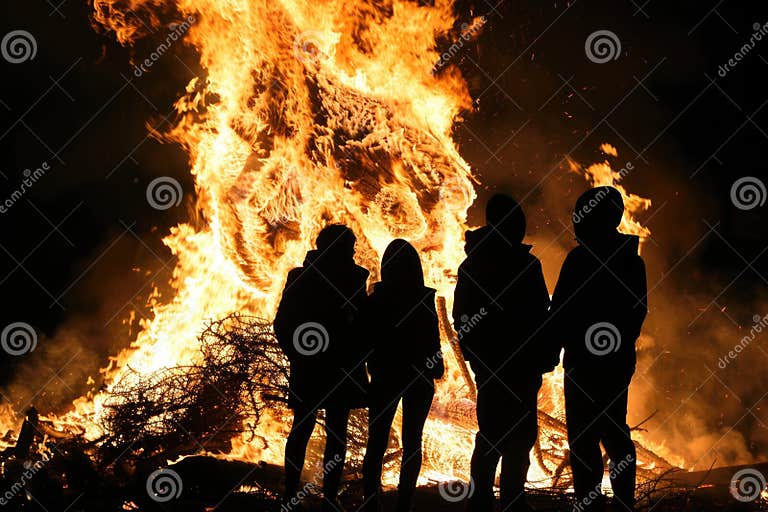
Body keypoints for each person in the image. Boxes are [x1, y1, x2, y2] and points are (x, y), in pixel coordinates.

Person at [453, 194, 554, 512]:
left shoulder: (522, 264)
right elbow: (464, 317)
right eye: (515, 221)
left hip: (517, 365)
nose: (520, 227)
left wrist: (543, 355)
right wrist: (478, 353)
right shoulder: (481, 265)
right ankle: (484, 498)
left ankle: (509, 498)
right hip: (500, 365)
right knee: (498, 434)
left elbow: (542, 314)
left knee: (517, 436)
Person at [550, 186, 647, 512]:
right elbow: (636, 314)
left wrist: (553, 350)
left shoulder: (580, 260)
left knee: (584, 439)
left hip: (584, 364)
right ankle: (623, 504)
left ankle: (591, 505)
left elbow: (560, 313)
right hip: (614, 364)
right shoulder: (632, 262)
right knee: (614, 432)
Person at [273, 224, 370, 512]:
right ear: (336, 250)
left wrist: (298, 355)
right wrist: (297, 353)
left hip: (328, 367)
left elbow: (363, 324)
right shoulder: (303, 279)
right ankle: (300, 493)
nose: (353, 254)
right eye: (349, 249)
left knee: (319, 430)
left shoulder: (352, 278)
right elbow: (284, 323)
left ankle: (323, 495)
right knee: (312, 429)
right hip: (326, 367)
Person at [361, 239, 444, 512]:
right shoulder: (423, 300)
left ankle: (371, 500)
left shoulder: (377, 300)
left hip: (386, 375)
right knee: (412, 441)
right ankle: (404, 502)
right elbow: (433, 340)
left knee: (377, 439)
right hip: (417, 377)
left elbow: (367, 340)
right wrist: (434, 366)